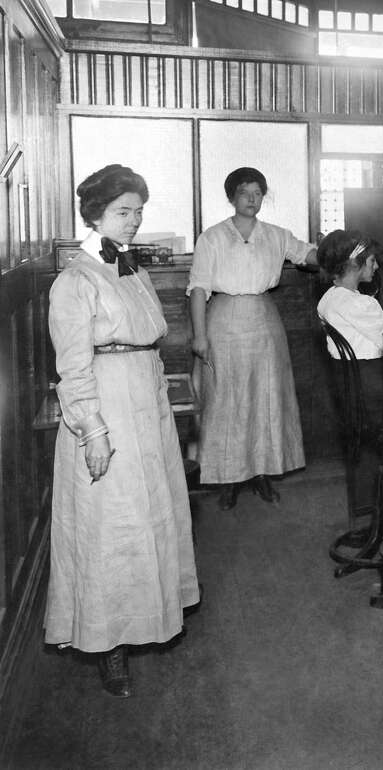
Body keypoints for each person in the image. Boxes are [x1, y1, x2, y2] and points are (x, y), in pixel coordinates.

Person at [46, 164, 200, 697]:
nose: (133, 221)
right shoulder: (74, 280)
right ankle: (109, 643)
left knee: (149, 517)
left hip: (145, 401)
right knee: (110, 525)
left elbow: (150, 338)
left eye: (138, 211)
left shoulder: (131, 269)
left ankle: (150, 617)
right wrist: (93, 430)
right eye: (122, 212)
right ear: (95, 215)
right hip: (108, 409)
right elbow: (73, 367)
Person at [188, 167, 317, 511]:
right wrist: (200, 336)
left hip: (263, 321)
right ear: (232, 197)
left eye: (258, 193)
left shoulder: (276, 235)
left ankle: (262, 471)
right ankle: (228, 476)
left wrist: (341, 249)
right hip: (223, 322)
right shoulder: (212, 237)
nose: (251, 199)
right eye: (245, 192)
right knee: (225, 399)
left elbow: (310, 256)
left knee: (265, 397)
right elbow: (199, 288)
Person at [317, 229, 383, 440]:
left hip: (348, 388)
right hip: (370, 392)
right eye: (372, 261)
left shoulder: (329, 298)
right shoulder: (360, 303)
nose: (376, 266)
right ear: (355, 264)